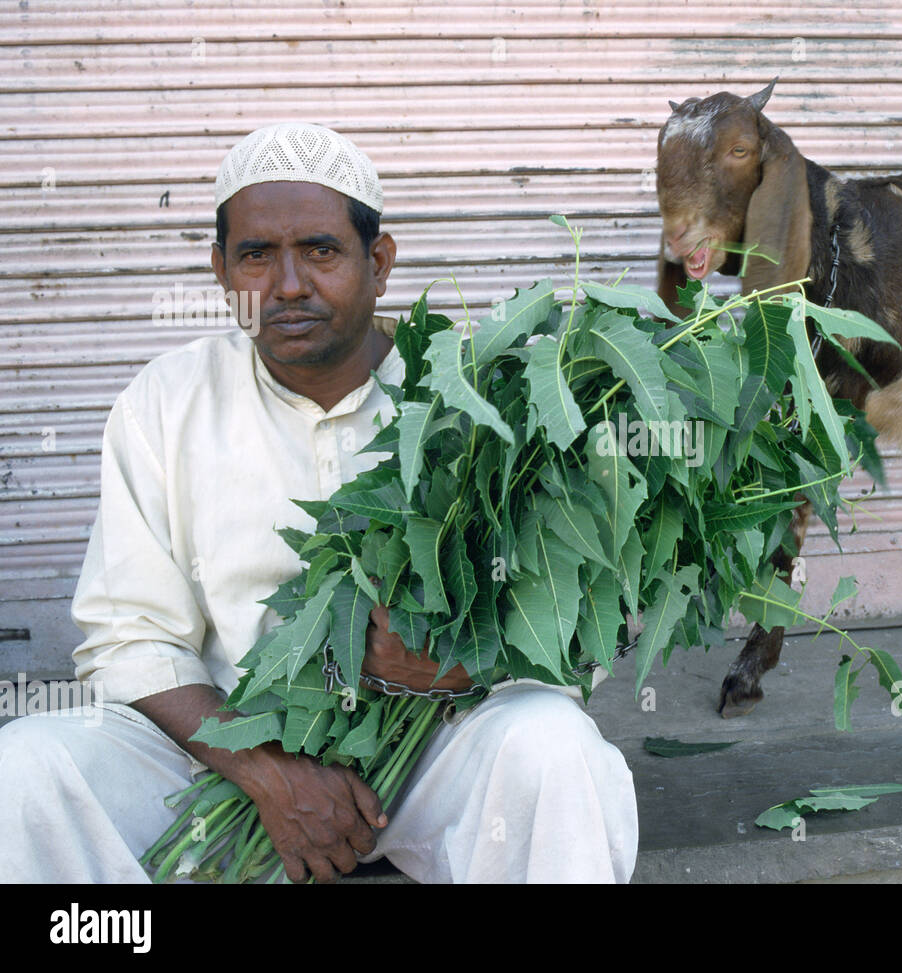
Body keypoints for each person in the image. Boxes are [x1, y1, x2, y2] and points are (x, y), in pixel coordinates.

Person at [0, 123, 638, 884]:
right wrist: (270, 772)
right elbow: (130, 636)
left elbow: (579, 626)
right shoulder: (165, 404)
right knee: (28, 766)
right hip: (227, 763)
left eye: (321, 250)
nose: (288, 284)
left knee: (553, 746)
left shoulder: (480, 401)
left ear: (380, 262)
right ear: (219, 270)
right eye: (256, 256)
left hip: (434, 748)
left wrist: (459, 670)